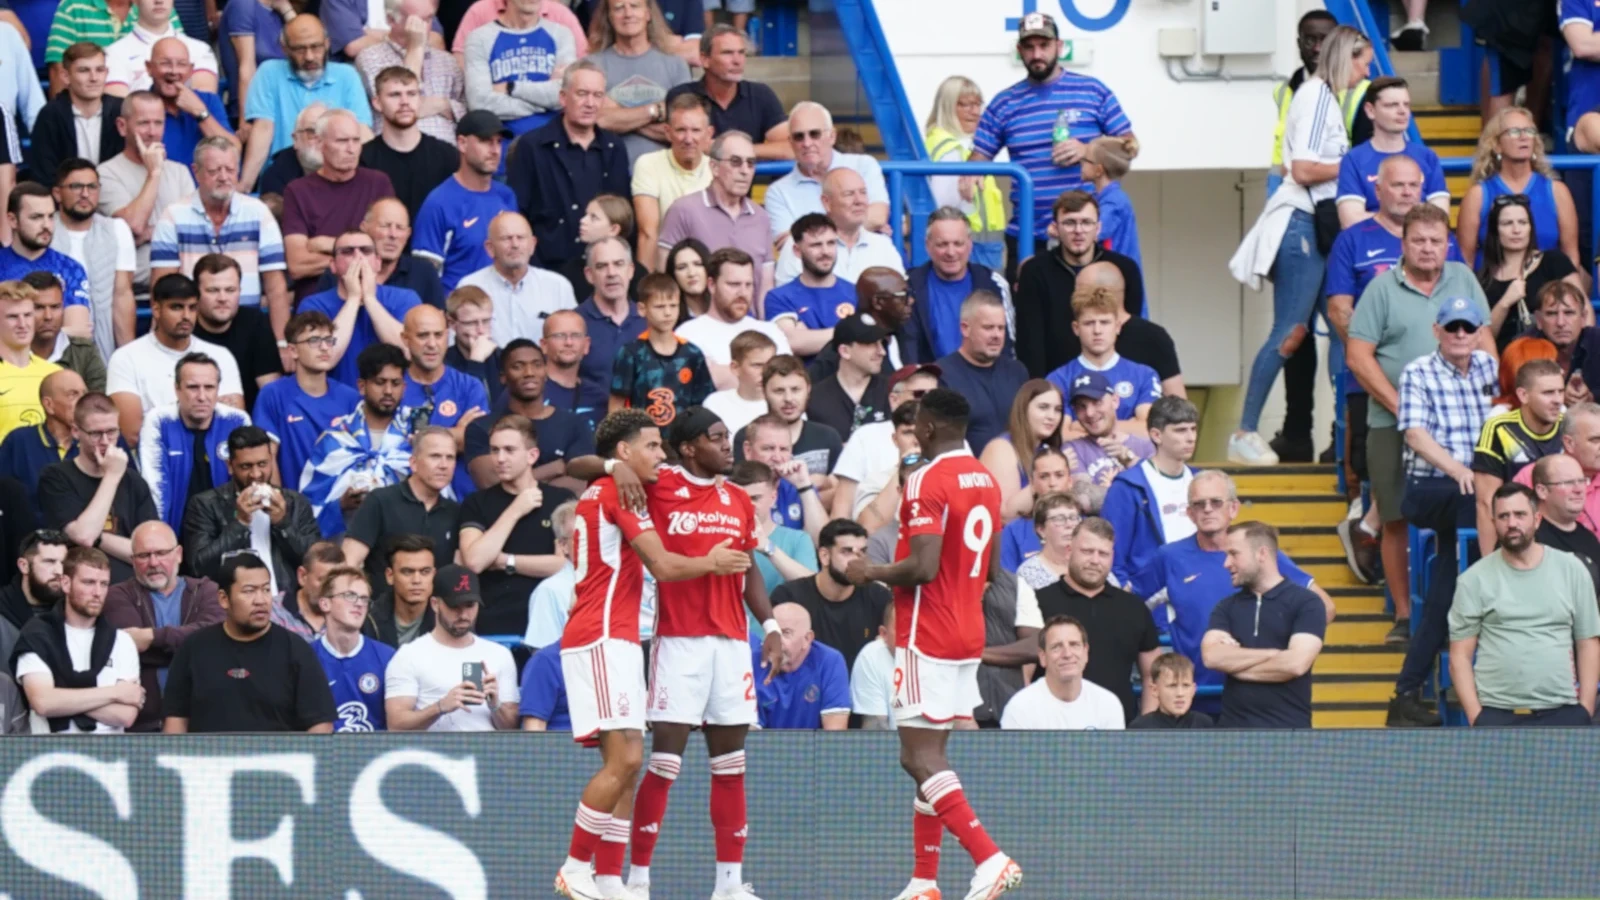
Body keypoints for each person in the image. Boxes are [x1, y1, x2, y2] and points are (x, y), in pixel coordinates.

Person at [560, 408, 781, 900]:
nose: (727, 445)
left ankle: (720, 885)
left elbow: (747, 566)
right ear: (689, 447)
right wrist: (613, 466)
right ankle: (626, 877)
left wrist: (768, 624)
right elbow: (572, 466)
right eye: (716, 437)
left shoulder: (736, 498)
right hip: (669, 638)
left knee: (722, 764)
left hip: (727, 641)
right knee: (652, 763)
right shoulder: (650, 484)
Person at [840, 388, 1022, 900]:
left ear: (929, 428)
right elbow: (991, 569)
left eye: (918, 422)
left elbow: (921, 567)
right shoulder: (984, 478)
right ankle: (924, 882)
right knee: (931, 755)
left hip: (928, 630)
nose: (914, 429)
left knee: (918, 757)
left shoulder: (927, 480)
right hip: (968, 628)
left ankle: (990, 858)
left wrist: (869, 571)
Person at [1347, 204, 1493, 641]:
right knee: (1395, 515)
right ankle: (1404, 615)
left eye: (1436, 241)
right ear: (1403, 243)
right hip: (1390, 418)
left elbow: (1485, 340)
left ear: (1447, 244)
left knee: (1475, 511)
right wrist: (1406, 408)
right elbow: (1358, 356)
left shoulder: (1462, 278)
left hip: (1463, 420)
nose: (1428, 248)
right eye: (1419, 241)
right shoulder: (1380, 288)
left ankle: (1474, 611)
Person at [1227, 25, 1371, 465]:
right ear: (1346, 58)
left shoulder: (1324, 97)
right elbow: (1303, 169)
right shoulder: (1316, 96)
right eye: (1363, 63)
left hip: (1316, 225)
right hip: (1302, 222)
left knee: (1343, 327)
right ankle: (1245, 430)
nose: (1366, 74)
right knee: (1291, 330)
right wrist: (1354, 164)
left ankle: (1345, 432)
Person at [1130, 471, 1328, 706]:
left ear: (1233, 508)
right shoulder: (1169, 557)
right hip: (1192, 699)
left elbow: (1324, 606)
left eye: (1216, 502)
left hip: (1257, 698)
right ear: (1189, 513)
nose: (1207, 509)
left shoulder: (1261, 555)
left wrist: (1282, 649)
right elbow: (1127, 609)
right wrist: (1151, 655)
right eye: (1199, 504)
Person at [969, 12, 1136, 281]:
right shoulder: (1004, 103)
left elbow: (1130, 146)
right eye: (1029, 47)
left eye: (1044, 45)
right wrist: (970, 175)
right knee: (1027, 309)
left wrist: (1087, 150)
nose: (1037, 54)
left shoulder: (1093, 91)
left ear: (1059, 46)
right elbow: (977, 160)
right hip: (1028, 237)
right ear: (1019, 50)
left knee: (1091, 307)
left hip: (1082, 236)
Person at [1325, 153, 1446, 521]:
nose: (1407, 192)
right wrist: (1375, 359)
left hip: (1438, 383)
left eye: (1413, 185)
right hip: (1372, 382)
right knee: (1375, 473)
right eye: (1397, 185)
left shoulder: (1442, 240)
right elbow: (1339, 310)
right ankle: (1368, 529)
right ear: (1377, 190)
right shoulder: (1351, 240)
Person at [1450, 484, 1599, 727]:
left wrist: (1586, 708)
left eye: (1520, 514)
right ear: (1494, 523)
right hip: (1496, 713)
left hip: (1563, 711)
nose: (1512, 523)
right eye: (1503, 516)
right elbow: (1459, 655)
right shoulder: (1473, 580)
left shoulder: (1572, 569)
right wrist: (1476, 715)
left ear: (1537, 520)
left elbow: (1588, 641)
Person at [161, 552, 337, 733]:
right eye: (249, 591)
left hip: (277, 751)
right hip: (210, 751)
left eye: (266, 590)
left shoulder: (296, 650)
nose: (260, 600)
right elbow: (175, 721)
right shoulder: (194, 649)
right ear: (223, 599)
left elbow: (321, 725)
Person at [149, 142, 290, 361]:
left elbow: (276, 287)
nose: (224, 177)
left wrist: (282, 343)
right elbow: (163, 290)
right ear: (196, 171)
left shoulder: (259, 213)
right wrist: (161, 346)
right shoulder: (173, 216)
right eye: (214, 170)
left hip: (248, 328)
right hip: (191, 329)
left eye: (230, 170)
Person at [1025, 517, 1159, 721]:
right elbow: (1024, 674)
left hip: (1117, 729)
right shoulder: (1038, 602)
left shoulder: (1134, 608)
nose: (1095, 560)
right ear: (1069, 551)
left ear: (1112, 557)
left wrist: (1145, 728)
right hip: (1052, 727)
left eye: (1103, 553)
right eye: (1087, 551)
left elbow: (1152, 675)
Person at [457, 415, 577, 636]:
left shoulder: (560, 499)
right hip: (491, 624)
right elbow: (474, 561)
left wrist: (505, 561)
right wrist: (515, 510)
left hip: (549, 621)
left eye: (509, 450)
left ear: (532, 455)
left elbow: (564, 563)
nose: (500, 458)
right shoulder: (476, 503)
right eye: (494, 450)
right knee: (475, 667)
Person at [98, 520, 223, 732]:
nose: (153, 562)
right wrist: (193, 648)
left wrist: (151, 638)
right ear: (132, 561)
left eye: (161, 553)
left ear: (179, 554)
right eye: (144, 555)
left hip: (203, 724)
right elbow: (129, 651)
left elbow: (215, 639)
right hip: (144, 726)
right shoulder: (117, 595)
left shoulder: (206, 591)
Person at [508, 62, 632, 273]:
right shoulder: (532, 146)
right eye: (582, 94)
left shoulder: (614, 147)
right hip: (546, 270)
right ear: (563, 98)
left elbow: (621, 216)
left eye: (598, 95)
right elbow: (518, 214)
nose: (590, 103)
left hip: (602, 270)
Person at [1202, 522, 1327, 729]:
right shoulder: (1226, 607)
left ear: (1262, 553)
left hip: (1289, 733)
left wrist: (1235, 666)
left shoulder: (1307, 603)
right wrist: (1274, 654)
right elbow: (1212, 657)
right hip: (1233, 734)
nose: (1226, 563)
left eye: (1234, 554)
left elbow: (1295, 664)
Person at [11, 546, 141, 734]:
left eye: (104, 584)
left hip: (109, 749)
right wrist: (116, 693)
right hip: (49, 748)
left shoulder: (122, 641)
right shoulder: (37, 634)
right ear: (65, 583)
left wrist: (61, 697)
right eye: (89, 582)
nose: (98, 592)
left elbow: (125, 716)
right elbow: (43, 703)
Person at [240, 14, 375, 192]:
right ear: (284, 49)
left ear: (327, 44)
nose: (309, 56)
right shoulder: (268, 72)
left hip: (338, 173)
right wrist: (245, 186)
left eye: (316, 47)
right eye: (300, 49)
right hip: (284, 174)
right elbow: (263, 129)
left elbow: (362, 131)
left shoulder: (347, 75)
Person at [105, 273, 245, 442]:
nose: (186, 316)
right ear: (156, 310)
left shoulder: (220, 356)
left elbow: (233, 426)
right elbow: (131, 433)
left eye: (192, 308)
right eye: (177, 307)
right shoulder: (125, 358)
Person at [1013, 193, 1144, 370]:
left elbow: (1132, 331)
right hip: (1055, 377)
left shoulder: (1124, 269)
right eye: (1069, 222)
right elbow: (1029, 340)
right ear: (1055, 228)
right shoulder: (1035, 271)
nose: (1078, 230)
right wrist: (1041, 385)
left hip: (1113, 375)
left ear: (1098, 228)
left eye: (1086, 222)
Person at [383, 563, 521, 730]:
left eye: (470, 605)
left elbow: (512, 730)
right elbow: (395, 726)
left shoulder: (499, 654)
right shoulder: (409, 655)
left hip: (486, 746)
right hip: (435, 747)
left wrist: (495, 705)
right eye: (454, 606)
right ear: (435, 604)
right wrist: (440, 707)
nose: (463, 614)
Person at [39, 392, 158, 585]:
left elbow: (150, 553)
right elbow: (84, 537)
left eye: (112, 432)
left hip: (130, 588)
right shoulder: (56, 477)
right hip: (78, 587)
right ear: (76, 431)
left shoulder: (133, 481)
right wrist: (111, 476)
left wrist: (99, 538)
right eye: (95, 433)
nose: (105, 441)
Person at [183, 423, 317, 590]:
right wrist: (239, 523)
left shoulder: (296, 502)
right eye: (246, 466)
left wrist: (283, 524)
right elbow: (198, 567)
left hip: (286, 600)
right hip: (232, 602)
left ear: (272, 461)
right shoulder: (205, 504)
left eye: (262, 464)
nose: (256, 474)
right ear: (230, 466)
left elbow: (315, 562)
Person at [282, 109, 398, 300]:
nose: (351, 149)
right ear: (320, 143)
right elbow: (298, 265)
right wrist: (363, 254)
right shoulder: (297, 191)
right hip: (319, 300)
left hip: (372, 297)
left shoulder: (379, 183)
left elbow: (387, 250)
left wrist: (327, 244)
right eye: (342, 141)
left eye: (356, 140)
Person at [301, 344, 416, 534]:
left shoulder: (416, 437)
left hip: (406, 542)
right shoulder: (335, 439)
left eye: (395, 383)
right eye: (380, 382)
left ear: (404, 387)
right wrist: (341, 505)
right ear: (362, 386)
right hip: (345, 544)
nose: (388, 391)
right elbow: (308, 510)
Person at [137, 353, 252, 535]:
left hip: (229, 532)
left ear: (218, 389)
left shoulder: (236, 420)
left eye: (209, 387)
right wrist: (163, 539)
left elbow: (249, 483)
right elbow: (155, 489)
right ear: (177, 389)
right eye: (193, 387)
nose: (202, 396)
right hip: (176, 532)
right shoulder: (159, 421)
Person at [1457, 107, 1579, 272]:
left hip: (1548, 284)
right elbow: (1465, 261)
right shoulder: (1478, 195)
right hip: (1491, 285)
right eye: (1514, 132)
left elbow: (1571, 256)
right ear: (1497, 145)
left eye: (1529, 131)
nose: (1524, 137)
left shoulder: (1557, 191)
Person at [96, 91, 197, 290]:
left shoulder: (180, 172)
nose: (152, 132)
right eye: (143, 123)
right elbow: (133, 226)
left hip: (182, 287)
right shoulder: (105, 173)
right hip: (132, 290)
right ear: (122, 126)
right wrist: (154, 173)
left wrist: (148, 233)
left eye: (158, 123)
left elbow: (191, 232)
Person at [463, 340, 596, 490]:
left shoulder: (575, 424)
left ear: (546, 372)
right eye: (518, 367)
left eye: (537, 365)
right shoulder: (481, 427)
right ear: (503, 376)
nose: (529, 373)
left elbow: (578, 486)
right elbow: (491, 485)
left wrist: (516, 481)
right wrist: (554, 468)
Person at [297, 229, 422, 387]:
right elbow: (325, 358)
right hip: (336, 398)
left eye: (366, 251)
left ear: (378, 262)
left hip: (391, 398)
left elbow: (411, 352)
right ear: (333, 265)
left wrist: (370, 299)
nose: (358, 257)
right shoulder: (313, 305)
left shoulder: (405, 298)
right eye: (347, 252)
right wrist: (353, 299)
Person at [252, 311, 363, 488]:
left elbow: (360, 458)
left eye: (329, 340)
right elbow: (267, 457)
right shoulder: (273, 394)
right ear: (293, 350)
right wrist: (282, 501)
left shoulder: (350, 397)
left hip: (340, 500)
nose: (324, 347)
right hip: (292, 501)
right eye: (314, 340)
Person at [411, 111, 518, 291]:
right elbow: (425, 280)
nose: (495, 151)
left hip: (504, 303)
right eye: (485, 141)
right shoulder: (438, 203)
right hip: (458, 305)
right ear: (462, 143)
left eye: (499, 142)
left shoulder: (506, 196)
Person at [1101, 395, 1199, 586]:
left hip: (1196, 589)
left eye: (1193, 429)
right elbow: (1112, 555)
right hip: (1148, 595)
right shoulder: (1128, 486)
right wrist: (1127, 596)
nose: (1191, 438)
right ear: (1156, 435)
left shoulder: (1202, 481)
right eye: (1180, 430)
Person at [343, 426, 461, 585]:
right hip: (381, 600)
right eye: (435, 456)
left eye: (450, 457)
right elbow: (349, 562)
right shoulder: (380, 501)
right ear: (413, 463)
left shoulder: (455, 512)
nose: (443, 465)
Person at [657, 131, 772, 291]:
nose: (745, 170)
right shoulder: (683, 210)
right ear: (714, 167)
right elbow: (664, 281)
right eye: (735, 162)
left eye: (751, 163)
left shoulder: (761, 217)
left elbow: (765, 286)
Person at [771, 518, 889, 673]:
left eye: (862, 552)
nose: (856, 561)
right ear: (824, 556)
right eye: (847, 552)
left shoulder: (879, 597)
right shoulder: (789, 597)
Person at [1474, 359, 1567, 553]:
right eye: (1548, 393)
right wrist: (1490, 562)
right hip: (1516, 528)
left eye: (1560, 391)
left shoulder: (1568, 426)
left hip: (1563, 526)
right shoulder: (1499, 428)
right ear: (1523, 395)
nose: (1558, 400)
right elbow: (1486, 502)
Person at [1334, 76, 1450, 228]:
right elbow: (1351, 221)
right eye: (1392, 105)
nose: (1402, 111)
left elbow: (1440, 217)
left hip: (1419, 242)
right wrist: (1410, 220)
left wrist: (1383, 218)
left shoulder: (1428, 157)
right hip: (1372, 242)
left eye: (1406, 105)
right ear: (1370, 110)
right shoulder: (1353, 160)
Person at [764, 101, 889, 241]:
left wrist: (809, 236)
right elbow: (787, 244)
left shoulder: (863, 165)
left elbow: (877, 217)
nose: (807, 143)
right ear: (791, 142)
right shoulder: (778, 192)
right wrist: (857, 226)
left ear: (832, 136)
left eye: (815, 134)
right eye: (799, 136)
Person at [50, 158, 136, 362]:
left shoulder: (117, 230)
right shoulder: (44, 231)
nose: (85, 194)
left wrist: (128, 359)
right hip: (51, 350)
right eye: (76, 186)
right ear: (57, 193)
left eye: (92, 187)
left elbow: (122, 295)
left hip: (102, 348)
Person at [587, 0, 693, 165]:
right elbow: (596, 120)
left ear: (648, 14)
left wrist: (618, 115)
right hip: (608, 168)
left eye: (635, 6)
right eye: (619, 8)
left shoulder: (675, 64)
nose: (628, 14)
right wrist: (657, 110)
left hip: (667, 170)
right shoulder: (592, 65)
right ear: (609, 17)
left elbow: (685, 131)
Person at [662, 24, 789, 160]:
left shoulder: (761, 94)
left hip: (746, 173)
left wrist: (732, 150)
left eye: (741, 53)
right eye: (727, 53)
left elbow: (789, 148)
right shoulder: (682, 95)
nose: (737, 61)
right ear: (705, 60)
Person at [1046, 287, 1161, 437]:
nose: (1097, 330)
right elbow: (1060, 436)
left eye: (1105, 322)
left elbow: (1150, 431)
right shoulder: (1057, 379)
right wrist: (1129, 425)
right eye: (1089, 323)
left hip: (1129, 454)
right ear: (1076, 328)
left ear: (1117, 327)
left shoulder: (1145, 375)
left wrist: (1080, 427)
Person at [903, 208, 1012, 364]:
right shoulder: (909, 287)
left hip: (982, 377)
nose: (951, 252)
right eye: (942, 244)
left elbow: (1006, 348)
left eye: (958, 243)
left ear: (970, 244)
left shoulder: (994, 284)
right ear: (928, 246)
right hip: (929, 377)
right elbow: (908, 349)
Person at [399, 306, 487, 498]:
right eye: (423, 335)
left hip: (461, 501)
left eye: (438, 335)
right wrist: (457, 432)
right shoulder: (393, 387)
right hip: (403, 500)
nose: (432, 344)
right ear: (405, 339)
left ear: (448, 336)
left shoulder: (469, 386)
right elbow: (392, 446)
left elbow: (475, 442)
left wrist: (420, 438)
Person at [1478, 193, 1584, 351]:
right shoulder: (1483, 279)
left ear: (1530, 228)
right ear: (1496, 230)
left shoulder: (1554, 261)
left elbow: (1583, 311)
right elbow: (1480, 340)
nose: (1516, 230)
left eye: (1522, 222)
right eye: (1507, 223)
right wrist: (1504, 303)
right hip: (1505, 361)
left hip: (1553, 359)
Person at [922, 76, 1006, 272]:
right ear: (947, 107)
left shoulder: (957, 145)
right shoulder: (951, 150)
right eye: (965, 105)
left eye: (977, 104)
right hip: (971, 250)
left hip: (980, 247)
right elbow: (944, 206)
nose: (975, 112)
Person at [181, 254, 285, 413]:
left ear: (240, 291)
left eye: (230, 290)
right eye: (213, 290)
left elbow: (271, 394)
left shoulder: (255, 322)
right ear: (196, 293)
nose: (222, 298)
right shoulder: (183, 327)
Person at [358, 69, 461, 228]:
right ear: (377, 103)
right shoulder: (363, 159)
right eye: (395, 95)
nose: (404, 102)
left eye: (412, 94)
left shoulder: (447, 155)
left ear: (420, 99)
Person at [458, 211, 577, 347]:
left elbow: (574, 340)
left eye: (521, 238)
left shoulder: (558, 286)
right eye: (506, 238)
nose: (515, 244)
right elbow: (456, 344)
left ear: (532, 245)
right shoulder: (470, 286)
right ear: (490, 248)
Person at [609, 272, 712, 429]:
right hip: (642, 438)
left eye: (673, 305)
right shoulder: (631, 353)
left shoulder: (692, 353)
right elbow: (616, 405)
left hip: (683, 440)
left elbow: (703, 405)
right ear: (642, 309)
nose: (668, 313)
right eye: (660, 307)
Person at [773, 168, 902, 289]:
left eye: (863, 192)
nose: (859, 201)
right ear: (826, 202)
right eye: (849, 194)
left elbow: (899, 292)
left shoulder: (882, 245)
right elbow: (788, 297)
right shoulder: (800, 243)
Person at [462, 0, 577, 136]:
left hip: (553, 139)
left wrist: (511, 87)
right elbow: (480, 103)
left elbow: (566, 95)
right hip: (502, 140)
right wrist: (545, 103)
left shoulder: (561, 34)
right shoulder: (479, 38)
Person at [675, 247, 791, 382]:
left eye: (748, 285)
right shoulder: (687, 334)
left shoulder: (771, 331)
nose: (742, 293)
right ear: (711, 285)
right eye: (734, 284)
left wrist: (718, 373)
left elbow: (789, 381)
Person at [354, 4, 464, 144]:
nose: (424, 27)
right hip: (397, 150)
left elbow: (464, 112)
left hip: (448, 151)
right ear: (391, 19)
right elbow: (402, 101)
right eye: (416, 21)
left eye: (428, 19)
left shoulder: (447, 61)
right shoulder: (371, 57)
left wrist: (442, 104)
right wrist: (416, 48)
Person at [998, 615, 1123, 731]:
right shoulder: (1020, 708)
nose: (1067, 654)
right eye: (1056, 647)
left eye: (1074, 645)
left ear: (1085, 652)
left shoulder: (1108, 704)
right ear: (1043, 657)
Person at [0, 185, 93, 340]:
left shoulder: (70, 268)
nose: (46, 225)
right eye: (36, 217)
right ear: (12, 220)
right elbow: (69, 332)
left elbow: (78, 334)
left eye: (50, 216)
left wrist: (15, 333)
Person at [29, 43, 125, 191]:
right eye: (84, 70)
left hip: (116, 198)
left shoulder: (122, 111)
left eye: (99, 70)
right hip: (64, 202)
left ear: (107, 73)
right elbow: (44, 176)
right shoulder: (50, 115)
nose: (94, 78)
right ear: (66, 76)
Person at [312, 566, 395, 732]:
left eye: (364, 599)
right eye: (350, 596)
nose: (359, 604)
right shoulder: (306, 658)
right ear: (325, 603)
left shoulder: (388, 657)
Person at [632, 94, 712, 266]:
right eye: (681, 130)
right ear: (668, 132)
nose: (688, 139)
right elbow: (648, 233)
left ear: (709, 134)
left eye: (696, 130)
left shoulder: (718, 169)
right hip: (665, 270)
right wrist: (646, 281)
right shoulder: (649, 164)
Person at [572, 241, 648, 421]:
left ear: (631, 270)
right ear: (589, 275)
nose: (611, 273)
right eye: (601, 266)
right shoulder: (574, 324)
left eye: (618, 264)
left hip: (646, 426)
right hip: (590, 426)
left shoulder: (649, 320)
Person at [764, 214, 858, 359]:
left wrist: (810, 336)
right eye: (816, 245)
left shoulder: (856, 292)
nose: (826, 252)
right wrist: (852, 332)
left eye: (831, 243)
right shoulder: (779, 297)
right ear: (797, 251)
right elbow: (793, 342)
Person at [133, 37, 235, 168]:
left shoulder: (208, 100)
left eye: (181, 64)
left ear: (191, 70)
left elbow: (234, 151)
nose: (173, 71)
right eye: (165, 63)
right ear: (149, 68)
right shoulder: (138, 106)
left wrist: (200, 113)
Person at [746, 602, 850, 731]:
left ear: (807, 639)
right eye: (771, 633)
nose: (776, 642)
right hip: (765, 743)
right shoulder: (752, 662)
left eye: (786, 633)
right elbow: (750, 735)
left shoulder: (830, 661)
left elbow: (834, 733)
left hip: (815, 744)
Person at [0, 369, 91, 510]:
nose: (83, 402)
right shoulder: (19, 442)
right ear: (49, 405)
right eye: (73, 394)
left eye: (85, 394)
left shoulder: (103, 438)